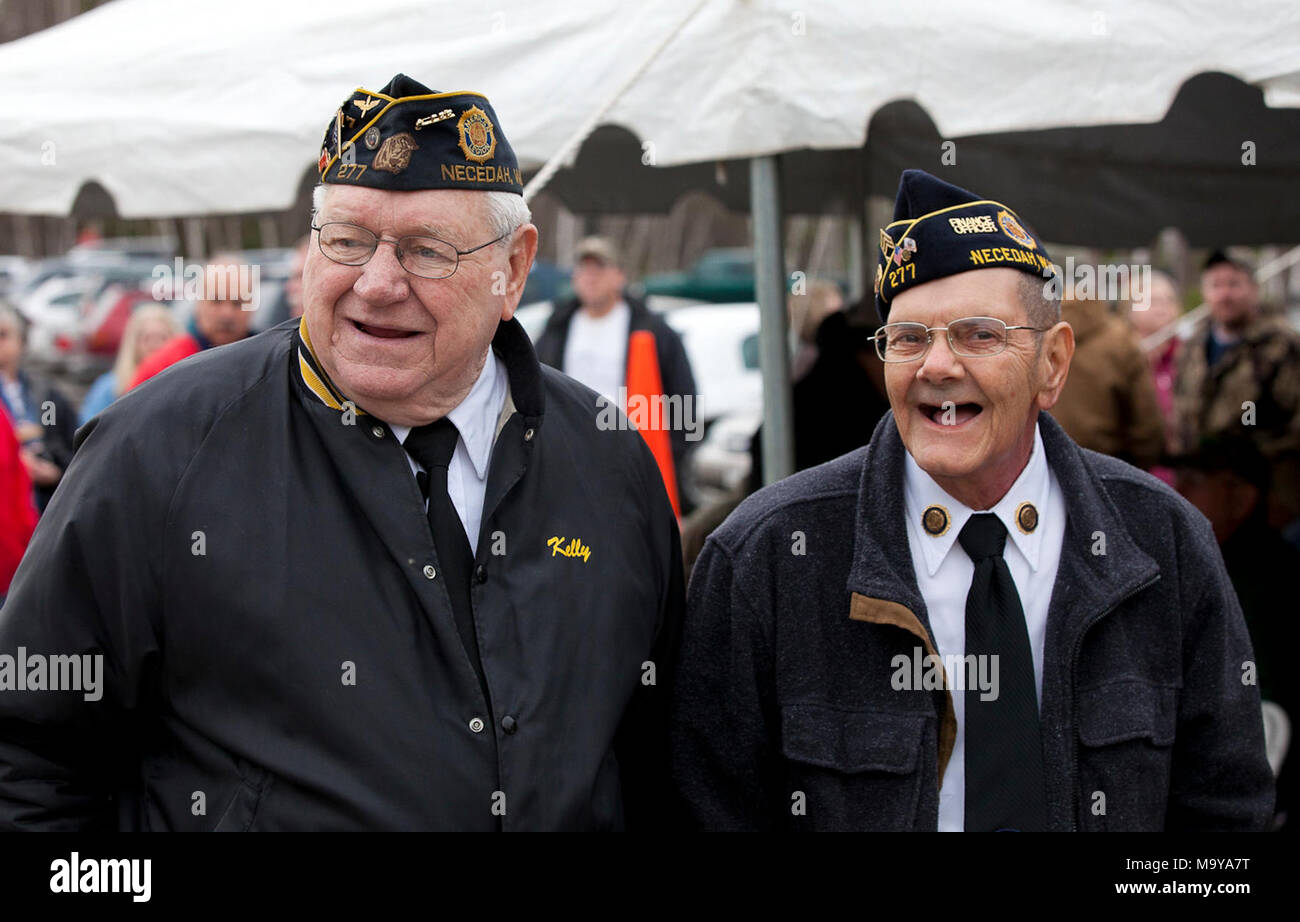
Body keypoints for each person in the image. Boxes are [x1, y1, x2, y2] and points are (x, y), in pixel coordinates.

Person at [0, 74, 683, 831]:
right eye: (349, 241)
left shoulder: (608, 461)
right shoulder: (159, 451)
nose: (378, 284)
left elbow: (662, 757)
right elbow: (25, 756)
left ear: (513, 270)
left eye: (427, 251)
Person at [671, 169, 1274, 831]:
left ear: (1053, 364)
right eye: (909, 339)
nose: (936, 367)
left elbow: (1225, 813)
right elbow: (711, 813)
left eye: (978, 335)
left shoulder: (1162, 544)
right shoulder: (770, 556)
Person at [1174, 435, 1296, 830]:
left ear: (1240, 499)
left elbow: (1266, 721)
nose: (1178, 491)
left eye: (1193, 480)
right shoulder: (1202, 566)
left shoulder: (1265, 586)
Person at [533, 236, 696, 513]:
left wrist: (671, 455)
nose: (590, 278)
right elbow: (534, 384)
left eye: (599, 270)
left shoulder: (651, 329)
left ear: (619, 276)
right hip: (568, 456)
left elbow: (684, 397)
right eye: (584, 270)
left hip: (629, 457)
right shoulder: (558, 326)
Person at [1050, 296, 1164, 469]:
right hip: (1111, 467)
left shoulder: (1040, 338)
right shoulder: (1121, 341)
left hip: (1049, 462)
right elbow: (1146, 424)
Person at [126, 255, 256, 389]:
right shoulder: (164, 367)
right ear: (198, 304)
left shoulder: (267, 362)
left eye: (237, 303)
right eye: (217, 301)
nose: (227, 313)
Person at [0, 303, 76, 513]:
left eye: (3, 335)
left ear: (22, 341)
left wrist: (56, 470)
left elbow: (58, 439)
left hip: (44, 504)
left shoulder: (44, 396)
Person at [78, 305, 178, 426]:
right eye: (146, 338)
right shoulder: (110, 387)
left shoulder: (182, 386)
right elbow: (88, 431)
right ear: (133, 344)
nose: (154, 345)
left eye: (162, 338)